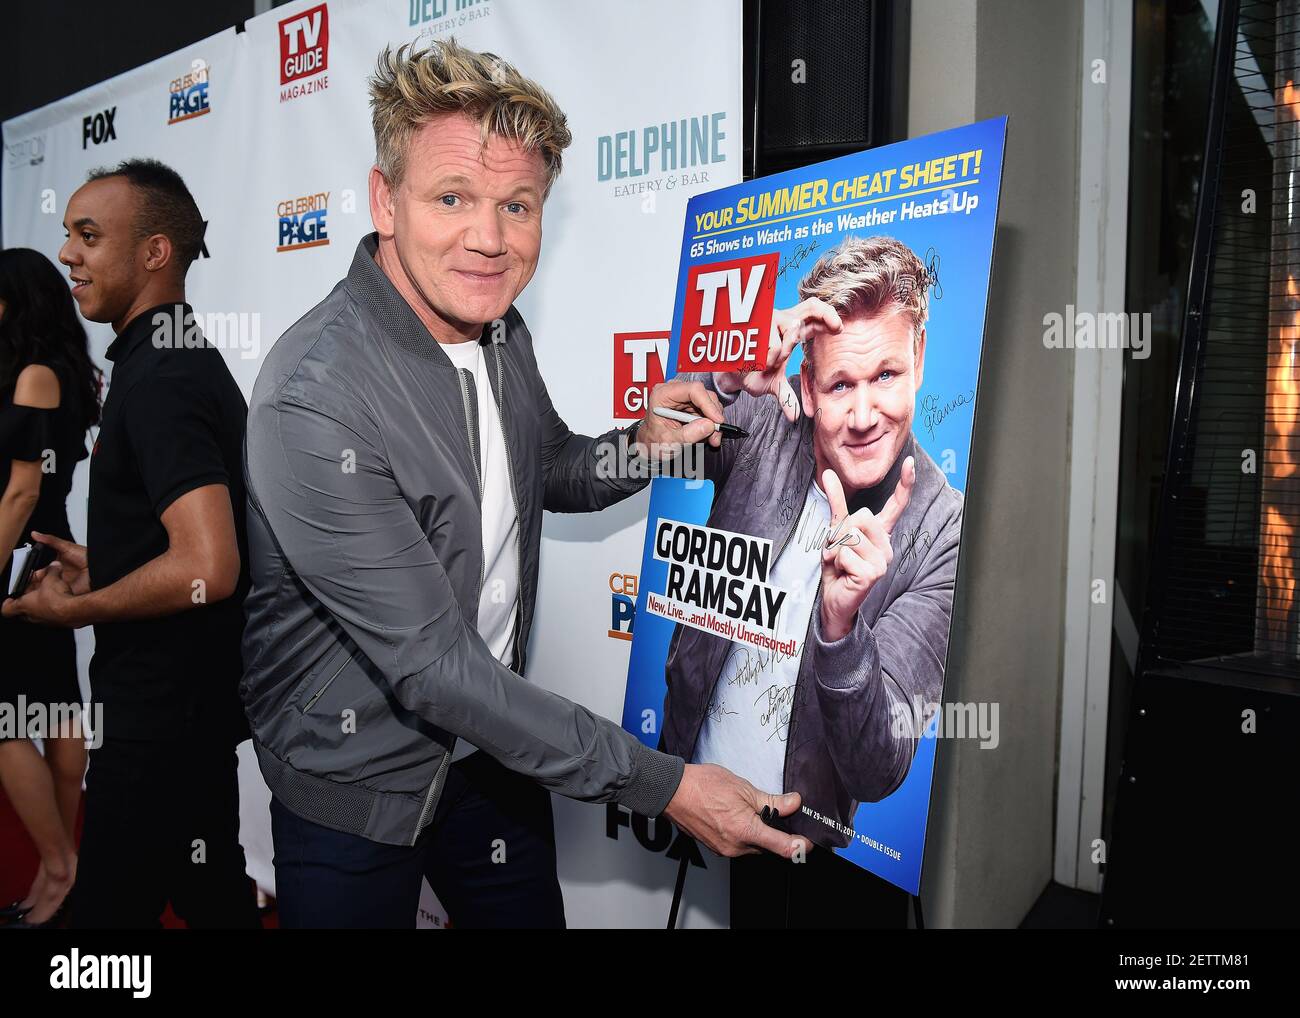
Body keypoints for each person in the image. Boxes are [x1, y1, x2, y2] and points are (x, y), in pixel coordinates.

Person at [240, 38, 806, 930]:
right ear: (386, 201)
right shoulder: (316, 399)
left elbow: (549, 470)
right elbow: (434, 671)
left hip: (494, 754)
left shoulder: (498, 331)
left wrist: (646, 447)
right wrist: (666, 787)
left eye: (519, 204)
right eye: (452, 198)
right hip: (353, 795)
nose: (490, 239)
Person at [3, 159, 259, 929]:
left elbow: (209, 567)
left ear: (154, 253)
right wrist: (105, 568)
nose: (67, 255)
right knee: (212, 896)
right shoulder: (168, 358)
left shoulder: (162, 376)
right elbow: (193, 544)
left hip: (159, 716)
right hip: (185, 705)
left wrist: (79, 612)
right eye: (67, 235)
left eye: (89, 236)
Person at [661, 235, 964, 849]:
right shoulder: (764, 414)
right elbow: (653, 451)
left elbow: (877, 770)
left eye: (886, 374)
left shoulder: (943, 530)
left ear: (920, 358)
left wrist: (839, 627)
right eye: (840, 385)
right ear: (806, 381)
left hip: (800, 835)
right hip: (683, 779)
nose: (863, 416)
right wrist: (725, 380)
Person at [0, 248, 99, 929]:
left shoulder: (33, 374)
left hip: (20, 559)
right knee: (56, 712)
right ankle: (61, 874)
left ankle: (60, 866)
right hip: (44, 554)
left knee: (9, 722)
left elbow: (21, 491)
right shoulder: (59, 368)